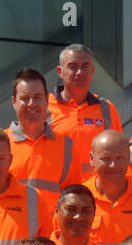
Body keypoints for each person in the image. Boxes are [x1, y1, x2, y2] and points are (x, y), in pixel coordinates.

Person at [48, 44, 122, 180]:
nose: (79, 72)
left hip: (97, 195)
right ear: (60, 71)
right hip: (59, 194)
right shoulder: (45, 106)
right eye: (73, 66)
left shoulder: (106, 109)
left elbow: (119, 153)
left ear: (92, 70)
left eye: (85, 66)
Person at [8, 68, 78, 209]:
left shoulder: (66, 146)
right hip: (11, 230)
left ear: (47, 100)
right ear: (14, 102)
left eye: (37, 97)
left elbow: (74, 199)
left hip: (51, 230)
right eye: (25, 98)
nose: (31, 103)